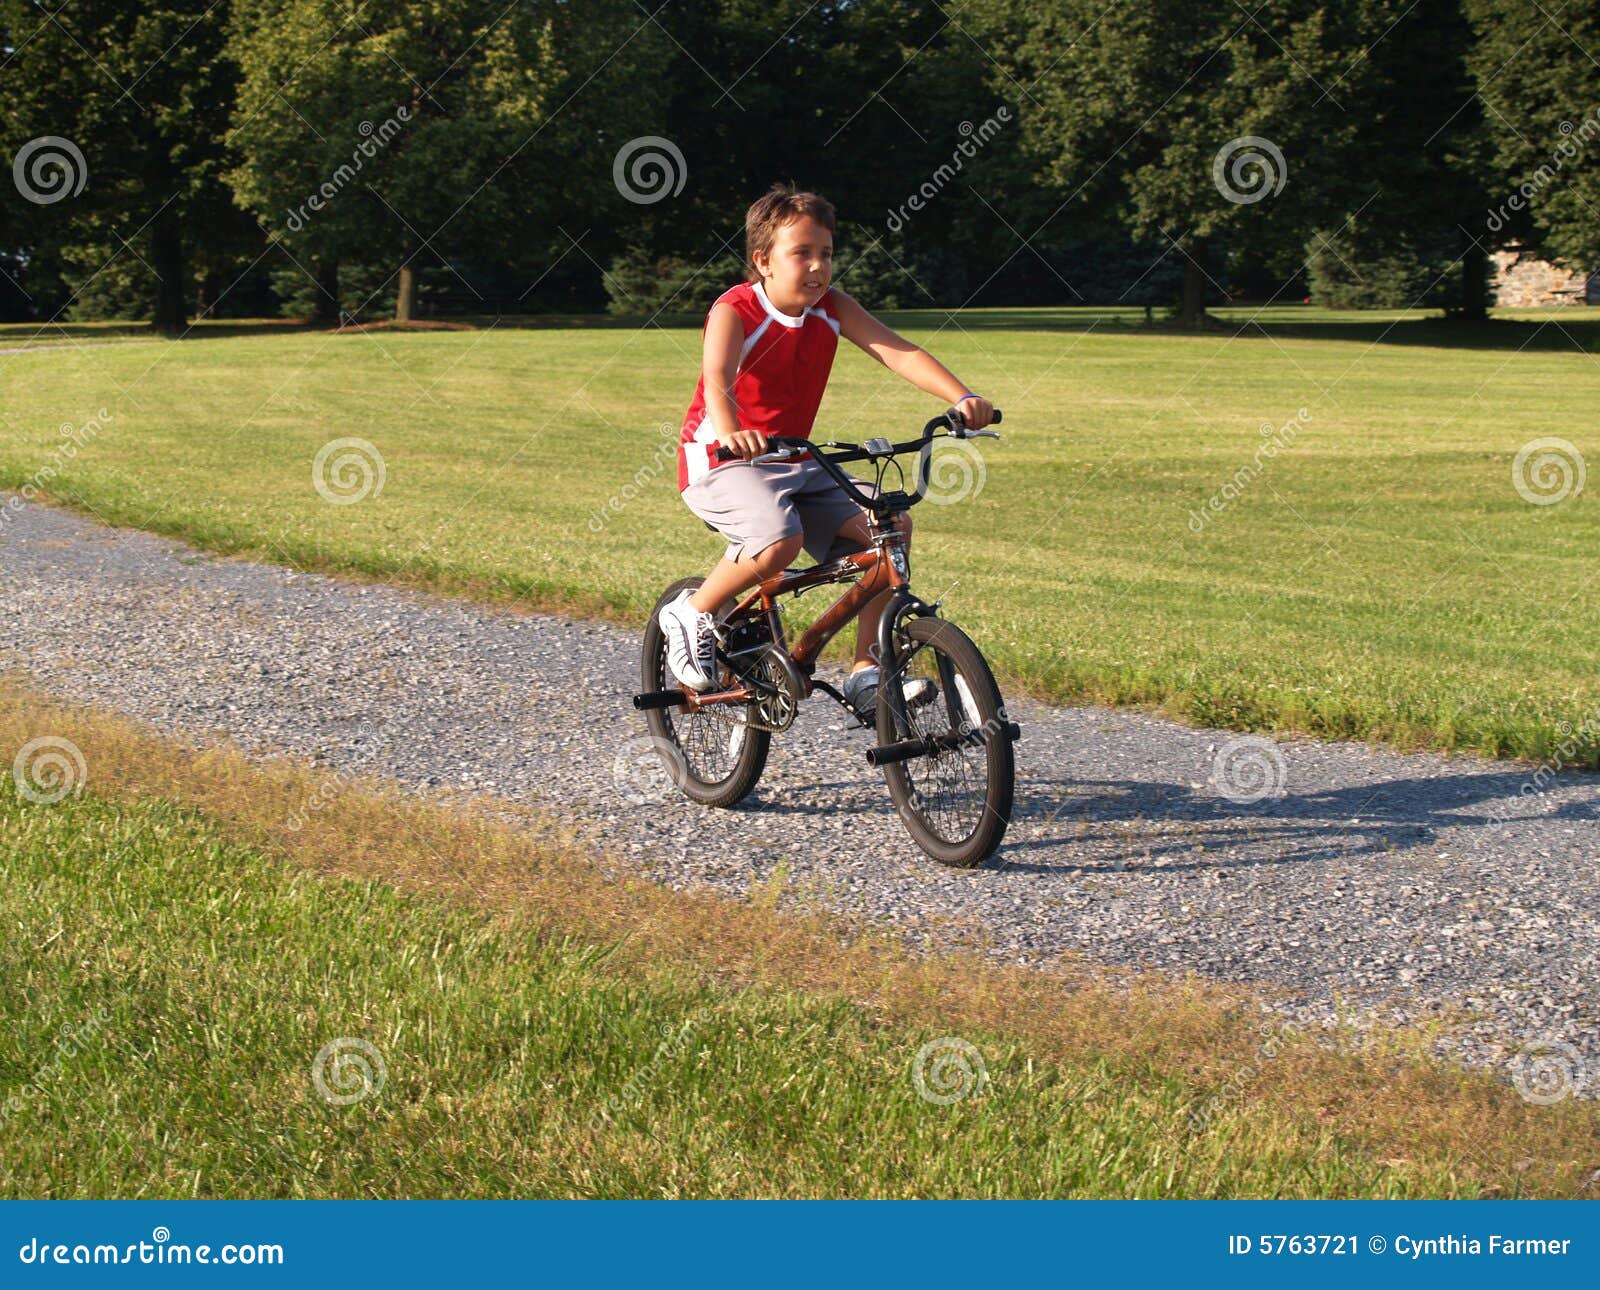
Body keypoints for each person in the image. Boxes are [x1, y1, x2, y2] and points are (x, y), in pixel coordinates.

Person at [658, 183, 995, 716]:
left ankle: (866, 673)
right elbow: (717, 379)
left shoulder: (833, 307)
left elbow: (900, 353)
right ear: (763, 260)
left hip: (795, 460)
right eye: (803, 254)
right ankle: (694, 612)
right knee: (779, 539)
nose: (818, 266)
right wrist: (730, 431)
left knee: (889, 529)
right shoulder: (736, 309)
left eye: (827, 253)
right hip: (723, 461)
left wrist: (963, 396)